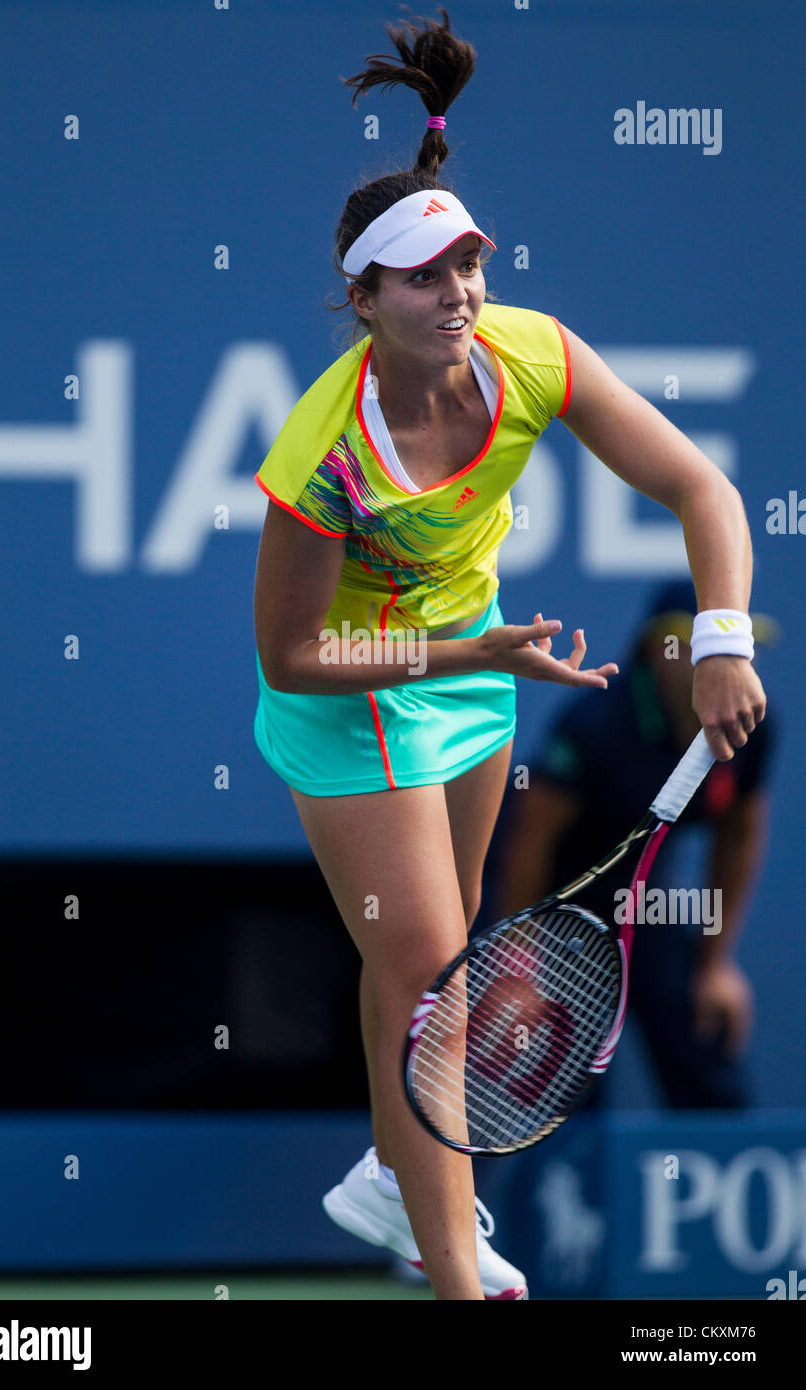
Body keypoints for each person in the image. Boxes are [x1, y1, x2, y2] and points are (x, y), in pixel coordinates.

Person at [251, 8, 766, 1301]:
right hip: (350, 695)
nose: (458, 293)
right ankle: (455, 1277)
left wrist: (715, 641)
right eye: (424, 276)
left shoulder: (529, 356)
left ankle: (396, 1173)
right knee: (431, 975)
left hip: (469, 669)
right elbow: (293, 650)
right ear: (364, 300)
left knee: (431, 960)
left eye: (468, 265)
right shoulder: (325, 452)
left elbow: (701, 490)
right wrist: (461, 644)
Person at [490, 581, 778, 1109]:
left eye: (740, 648)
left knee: (700, 1029)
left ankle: (712, 1172)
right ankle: (540, 1187)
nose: (729, 665)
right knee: (558, 1077)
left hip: (641, 895)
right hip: (541, 894)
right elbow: (529, 838)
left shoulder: (750, 722)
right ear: (656, 651)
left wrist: (715, 963)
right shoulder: (597, 726)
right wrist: (517, 966)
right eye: (700, 648)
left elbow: (738, 836)